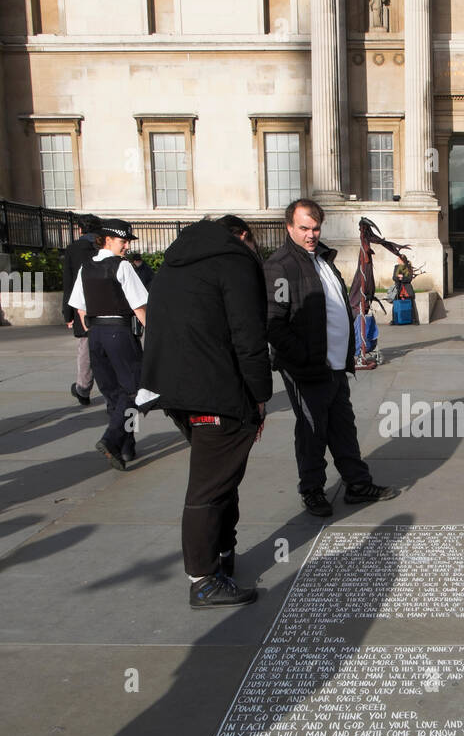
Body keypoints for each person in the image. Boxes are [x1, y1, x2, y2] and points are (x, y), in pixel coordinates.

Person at [137, 219, 272, 607]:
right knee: (209, 488)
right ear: (243, 237)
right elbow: (249, 336)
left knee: (221, 476)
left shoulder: (175, 263)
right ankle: (203, 579)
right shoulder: (235, 261)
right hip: (217, 390)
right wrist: (260, 395)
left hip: (177, 390)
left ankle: (222, 556)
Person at [264, 199, 398, 518]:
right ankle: (312, 490)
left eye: (315, 228)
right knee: (312, 430)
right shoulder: (280, 266)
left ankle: (357, 483)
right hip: (308, 368)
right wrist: (306, 359)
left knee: (342, 426)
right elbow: (274, 324)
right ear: (289, 227)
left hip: (336, 365)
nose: (311, 234)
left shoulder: (323, 258)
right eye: (304, 228)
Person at [69, 219, 148, 470]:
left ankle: (127, 445)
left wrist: (95, 331)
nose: (126, 246)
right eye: (123, 241)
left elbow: (80, 308)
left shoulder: (86, 267)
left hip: (96, 335)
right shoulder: (122, 266)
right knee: (134, 390)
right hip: (119, 332)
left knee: (113, 393)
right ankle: (114, 440)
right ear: (108, 239)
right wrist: (154, 333)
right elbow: (139, 306)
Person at [62, 213, 103, 405]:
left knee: (85, 350)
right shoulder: (103, 246)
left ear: (80, 229)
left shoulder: (73, 249)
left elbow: (68, 283)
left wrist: (67, 314)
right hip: (104, 303)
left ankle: (83, 389)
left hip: (82, 306)